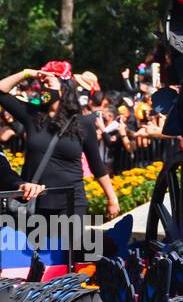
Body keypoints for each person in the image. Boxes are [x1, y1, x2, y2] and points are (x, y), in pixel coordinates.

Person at [0, 64, 119, 219]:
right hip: (34, 202)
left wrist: (112, 199)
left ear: (64, 89)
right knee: (34, 244)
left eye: (49, 84)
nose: (44, 88)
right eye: (42, 84)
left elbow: (97, 165)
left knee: (67, 244)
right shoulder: (32, 116)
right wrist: (28, 73)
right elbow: (1, 91)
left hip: (71, 202)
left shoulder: (83, 123)